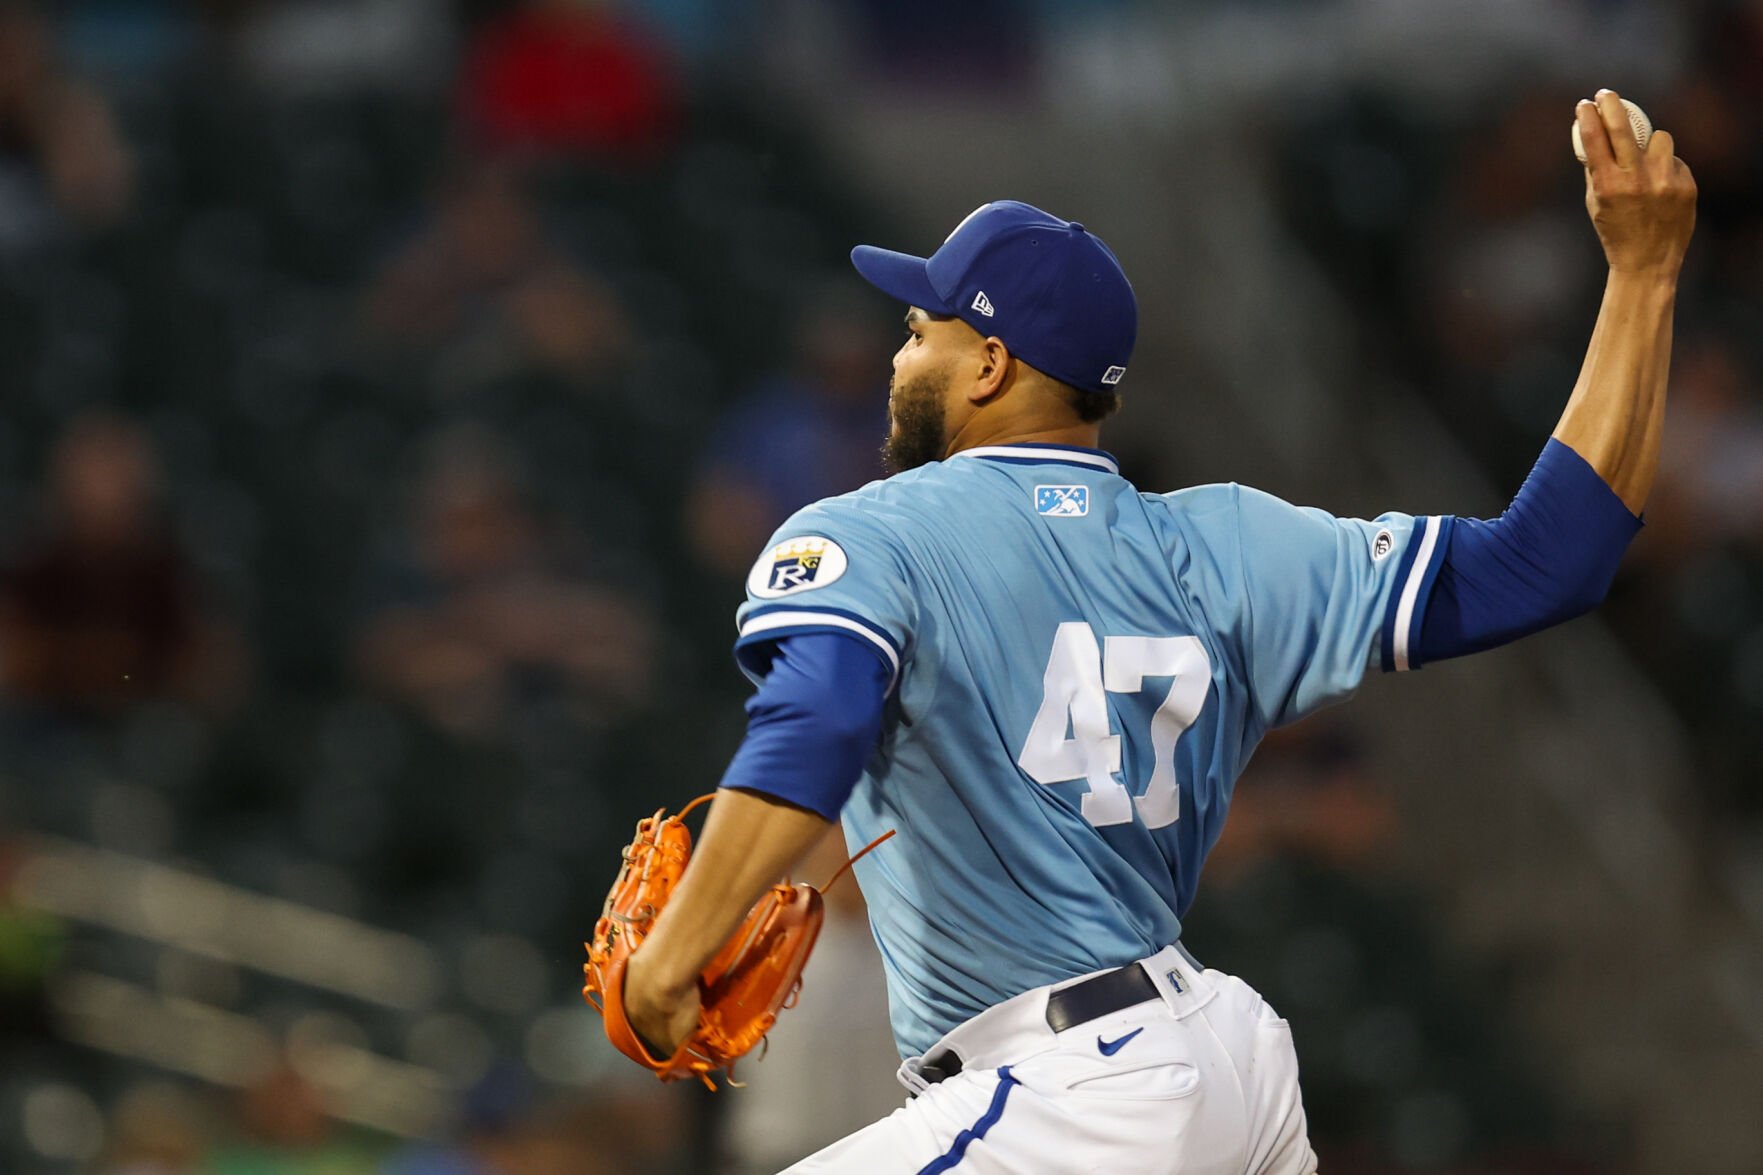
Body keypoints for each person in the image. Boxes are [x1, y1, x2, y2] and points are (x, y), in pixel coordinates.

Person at [617, 91, 1696, 1172]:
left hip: (1062, 1095)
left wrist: (673, 957)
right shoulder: (1229, 540)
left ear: (988, 365)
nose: (898, 357)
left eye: (919, 330)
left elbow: (814, 726)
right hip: (1218, 1055)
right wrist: (1642, 279)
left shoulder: (873, 532)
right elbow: (1544, 563)